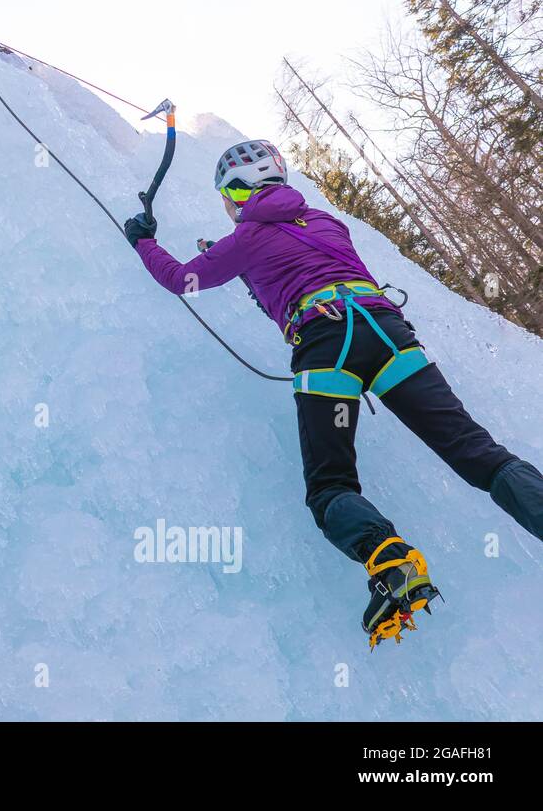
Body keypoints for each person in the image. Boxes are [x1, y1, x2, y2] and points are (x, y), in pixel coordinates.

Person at [123, 139, 543, 647]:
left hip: (327, 345)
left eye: (228, 195)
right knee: (475, 451)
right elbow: (291, 262)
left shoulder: (247, 239)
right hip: (387, 331)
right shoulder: (325, 222)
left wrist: (144, 240)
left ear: (238, 191)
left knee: (330, 486)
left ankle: (394, 565)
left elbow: (182, 280)